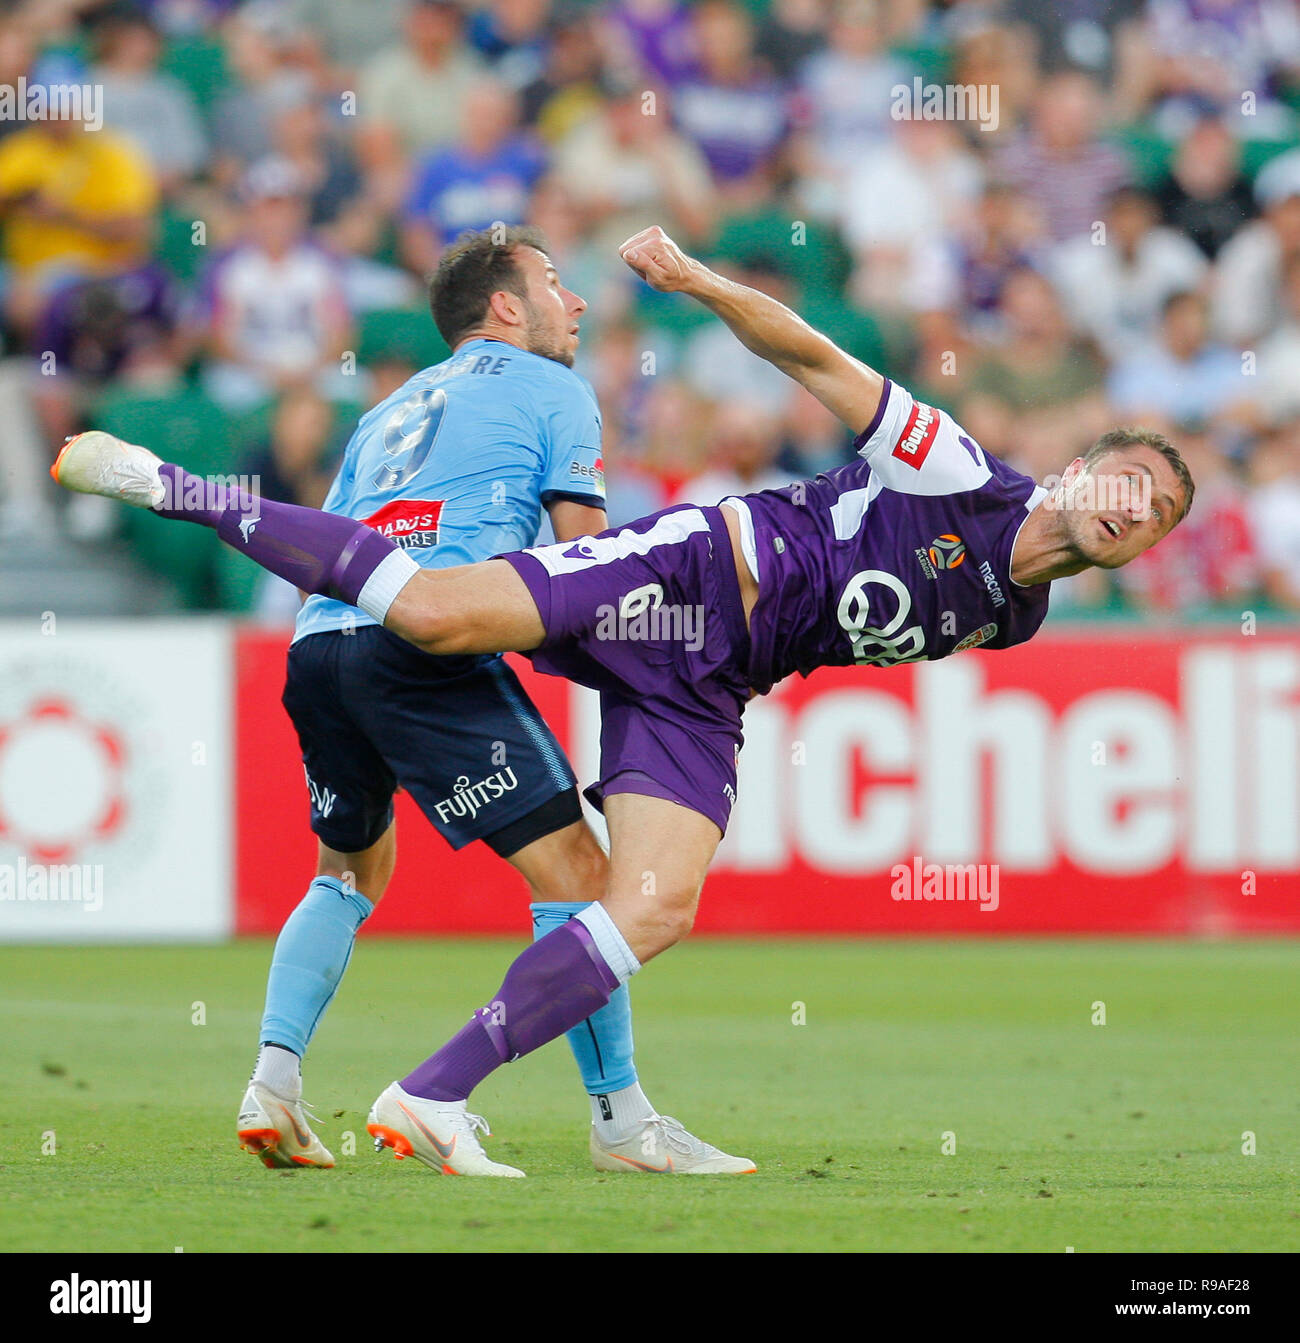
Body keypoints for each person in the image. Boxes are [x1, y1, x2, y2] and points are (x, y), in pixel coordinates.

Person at [53, 225, 1194, 1175]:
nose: (1136, 510)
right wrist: (697, 282)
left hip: (717, 682)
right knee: (439, 615)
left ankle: (458, 1098)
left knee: (649, 903)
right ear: (1076, 467)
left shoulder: (1016, 614)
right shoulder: (957, 470)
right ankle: (175, 487)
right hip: (693, 574)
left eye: (1160, 515)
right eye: (1131, 480)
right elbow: (808, 353)